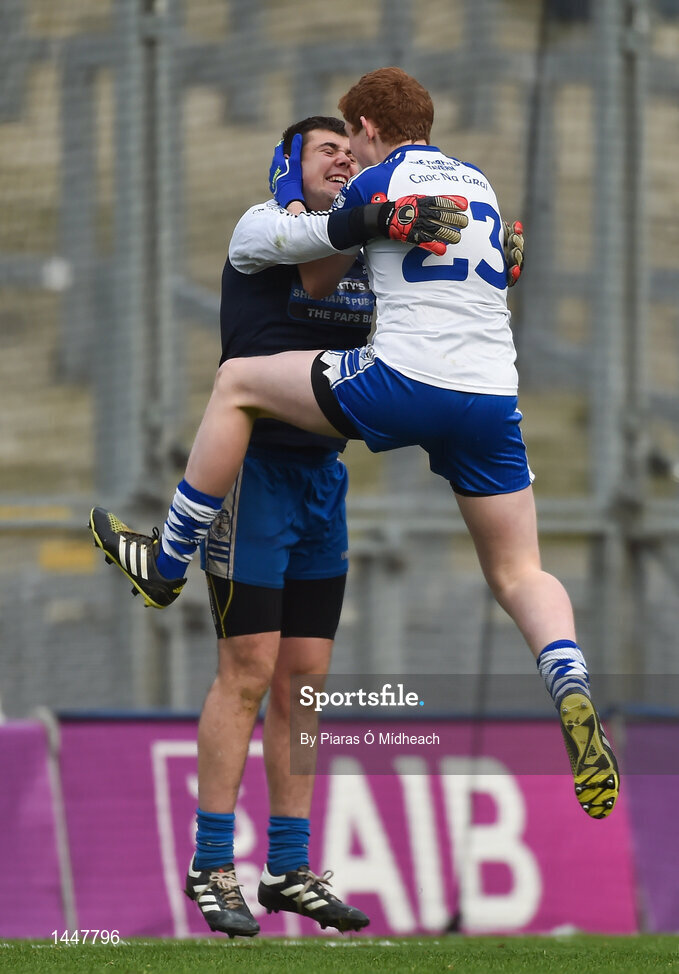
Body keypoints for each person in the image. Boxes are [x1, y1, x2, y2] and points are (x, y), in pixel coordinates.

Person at [90, 66, 615, 837]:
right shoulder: (476, 184)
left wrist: (373, 212)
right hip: (492, 397)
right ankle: (568, 676)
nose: (347, 159)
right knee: (519, 570)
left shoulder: (382, 180)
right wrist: (468, 245)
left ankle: (167, 561)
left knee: (236, 380)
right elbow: (462, 257)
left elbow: (337, 248)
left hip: (402, 386)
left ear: (369, 127)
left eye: (350, 140)